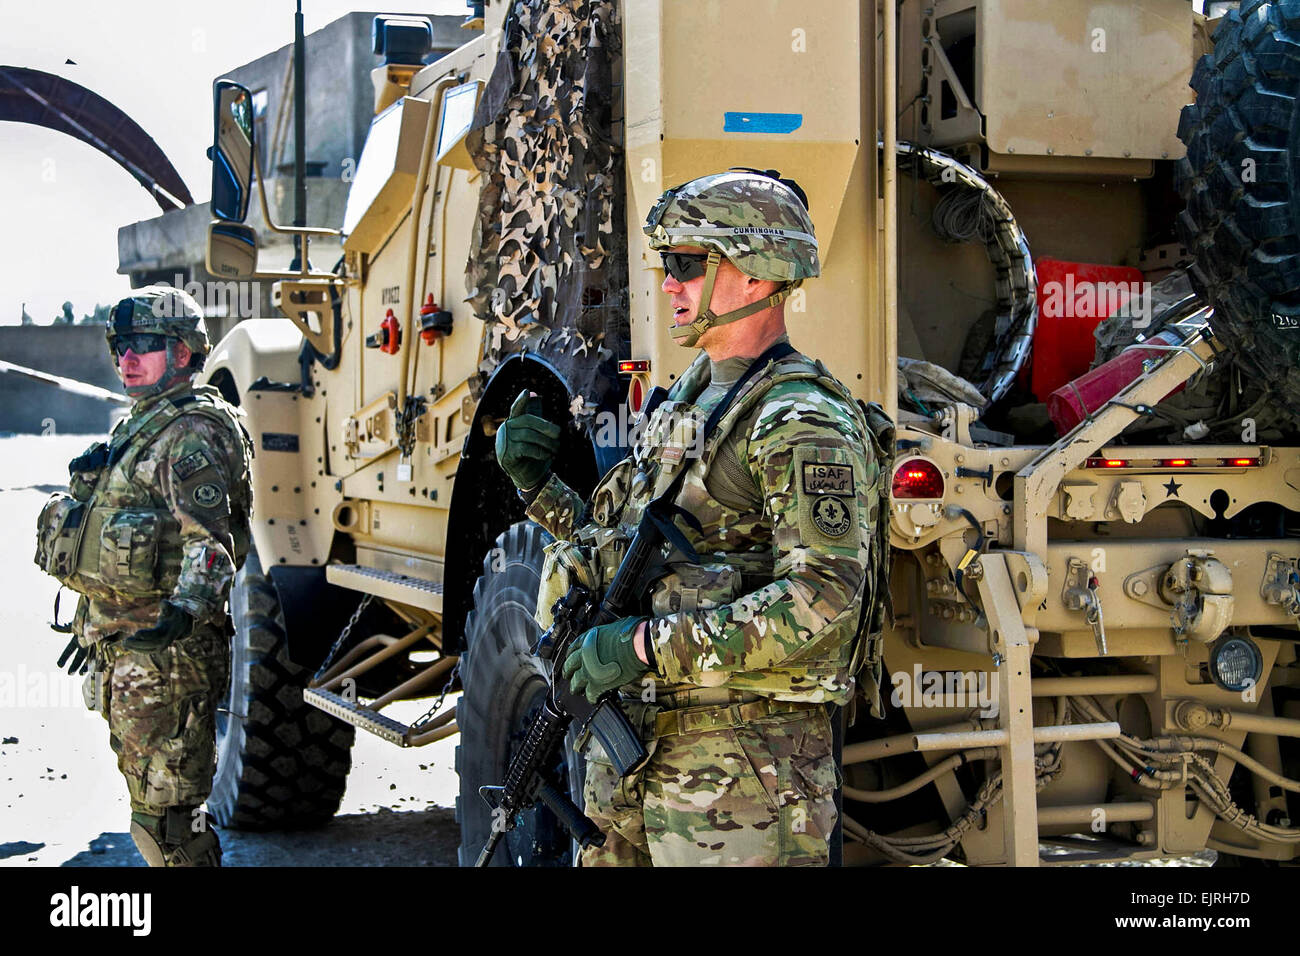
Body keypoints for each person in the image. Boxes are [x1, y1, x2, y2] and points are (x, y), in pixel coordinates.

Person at [495, 169, 889, 865]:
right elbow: (624, 556)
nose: (668, 284)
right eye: (665, 264)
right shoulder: (688, 401)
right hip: (641, 760)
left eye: (686, 263)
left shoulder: (801, 421)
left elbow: (823, 599)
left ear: (758, 276)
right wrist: (541, 489)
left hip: (743, 776)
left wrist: (641, 648)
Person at [35, 285, 252, 867]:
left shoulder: (192, 432)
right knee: (153, 817)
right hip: (130, 655)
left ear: (182, 353)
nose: (126, 357)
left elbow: (213, 544)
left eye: (143, 344)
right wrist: (96, 619)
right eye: (120, 345)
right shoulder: (144, 425)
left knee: (170, 826)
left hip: (168, 662)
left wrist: (178, 620)